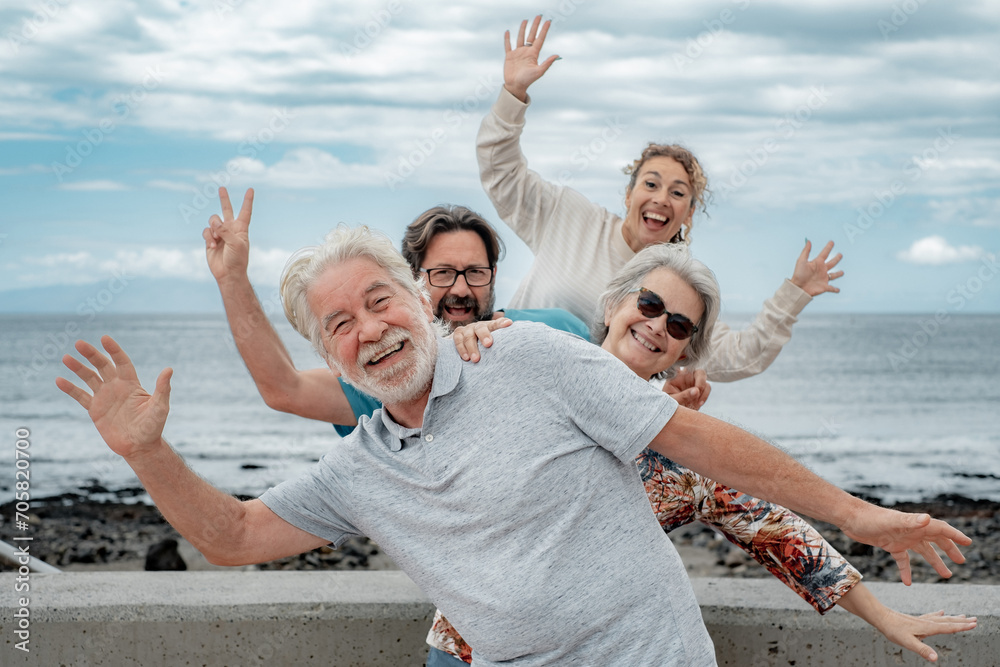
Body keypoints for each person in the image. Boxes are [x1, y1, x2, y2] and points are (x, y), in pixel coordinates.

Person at [58, 225, 972, 666]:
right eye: (339, 322)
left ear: (417, 298)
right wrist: (147, 453)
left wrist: (865, 516)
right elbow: (233, 535)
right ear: (325, 349)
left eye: (380, 300)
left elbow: (711, 452)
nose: (369, 329)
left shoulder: (530, 354)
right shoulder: (359, 464)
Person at [430, 245, 976, 665]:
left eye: (678, 325)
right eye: (648, 303)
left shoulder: (682, 456)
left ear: (685, 349)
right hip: (462, 643)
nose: (655, 325)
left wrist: (883, 616)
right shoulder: (532, 363)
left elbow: (779, 534)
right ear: (616, 303)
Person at [477, 16, 844, 380]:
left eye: (678, 192)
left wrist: (794, 293)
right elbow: (500, 172)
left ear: (689, 213)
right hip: (506, 376)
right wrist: (513, 94)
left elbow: (739, 357)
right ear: (629, 193)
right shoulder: (568, 215)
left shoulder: (679, 288)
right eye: (651, 184)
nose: (662, 199)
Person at [203, 188, 588, 433]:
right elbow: (285, 389)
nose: (460, 289)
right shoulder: (391, 378)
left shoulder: (553, 328)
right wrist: (232, 280)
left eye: (474, 272)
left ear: (493, 274)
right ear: (414, 283)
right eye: (442, 274)